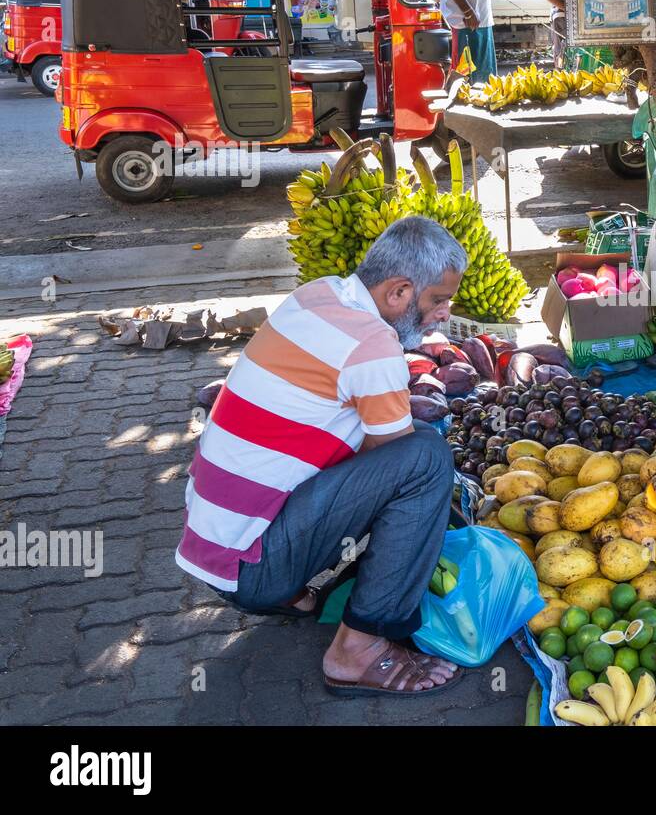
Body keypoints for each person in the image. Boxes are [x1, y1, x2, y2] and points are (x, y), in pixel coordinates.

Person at [175, 216, 470, 696]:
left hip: (216, 551)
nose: (444, 312)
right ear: (398, 292)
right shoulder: (373, 345)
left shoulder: (319, 295)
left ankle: (295, 595)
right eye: (437, 299)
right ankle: (359, 649)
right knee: (427, 459)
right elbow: (399, 465)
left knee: (412, 445)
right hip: (252, 568)